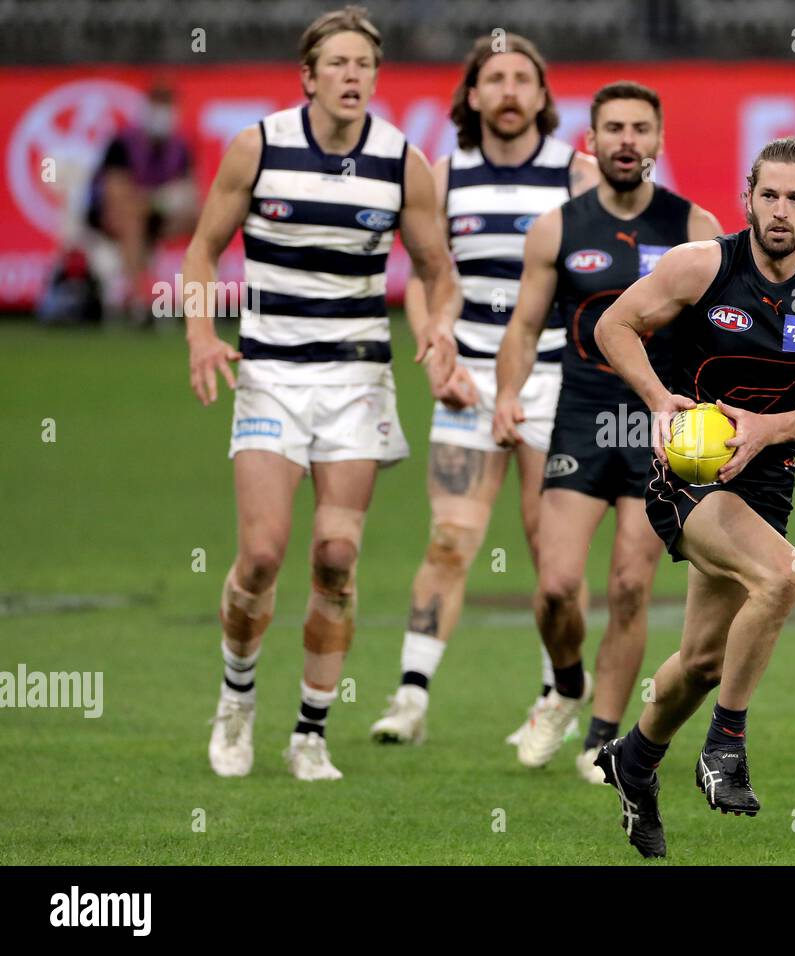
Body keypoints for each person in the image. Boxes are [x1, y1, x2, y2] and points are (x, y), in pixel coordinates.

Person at [184, 5, 460, 781]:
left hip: (356, 381)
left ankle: (309, 731)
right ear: (307, 76)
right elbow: (203, 252)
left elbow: (439, 270)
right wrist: (201, 335)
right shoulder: (259, 146)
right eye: (336, 64)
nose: (352, 76)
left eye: (363, 65)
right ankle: (237, 699)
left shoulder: (402, 161)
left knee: (336, 558)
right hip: (271, 374)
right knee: (264, 555)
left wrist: (440, 325)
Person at [591, 138, 795, 857]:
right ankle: (725, 746)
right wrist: (658, 400)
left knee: (702, 660)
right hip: (687, 472)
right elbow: (612, 324)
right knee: (784, 575)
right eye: (768, 195)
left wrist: (772, 427)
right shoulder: (701, 265)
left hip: (768, 476)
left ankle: (636, 759)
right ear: (748, 196)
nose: (780, 212)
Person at [369, 33, 601, 746]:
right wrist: (434, 347)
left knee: (550, 551)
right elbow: (427, 278)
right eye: (493, 79)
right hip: (468, 379)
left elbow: (603, 279)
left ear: (541, 95)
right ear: (472, 95)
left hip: (555, 379)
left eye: (521, 79)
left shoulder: (578, 174)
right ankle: (409, 696)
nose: (507, 91)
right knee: (450, 541)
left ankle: (553, 695)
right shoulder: (443, 177)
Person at [492, 81, 722, 781]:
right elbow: (526, 326)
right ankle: (565, 685)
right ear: (591, 140)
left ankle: (601, 737)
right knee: (558, 585)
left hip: (662, 428)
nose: (627, 140)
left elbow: (723, 332)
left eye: (641, 129)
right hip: (583, 415)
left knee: (629, 586)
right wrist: (506, 393)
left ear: (658, 141)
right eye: (614, 128)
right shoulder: (557, 227)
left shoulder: (695, 227)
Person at [85, 81, 198, 323]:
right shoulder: (121, 144)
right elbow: (116, 197)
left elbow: (190, 191)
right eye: (158, 109)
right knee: (132, 221)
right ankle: (142, 303)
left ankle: (202, 297)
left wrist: (168, 202)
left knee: (204, 218)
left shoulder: (179, 146)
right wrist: (159, 199)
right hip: (110, 217)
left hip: (155, 216)